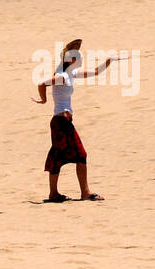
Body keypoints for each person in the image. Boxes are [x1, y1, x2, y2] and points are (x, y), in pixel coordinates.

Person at [35, 38, 111, 202]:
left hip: (64, 122)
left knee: (59, 155)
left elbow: (96, 72)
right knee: (79, 154)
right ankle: (84, 192)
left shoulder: (71, 74)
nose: (81, 60)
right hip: (60, 122)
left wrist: (110, 60)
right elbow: (42, 83)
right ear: (73, 60)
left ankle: (54, 194)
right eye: (79, 57)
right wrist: (44, 100)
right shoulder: (62, 76)